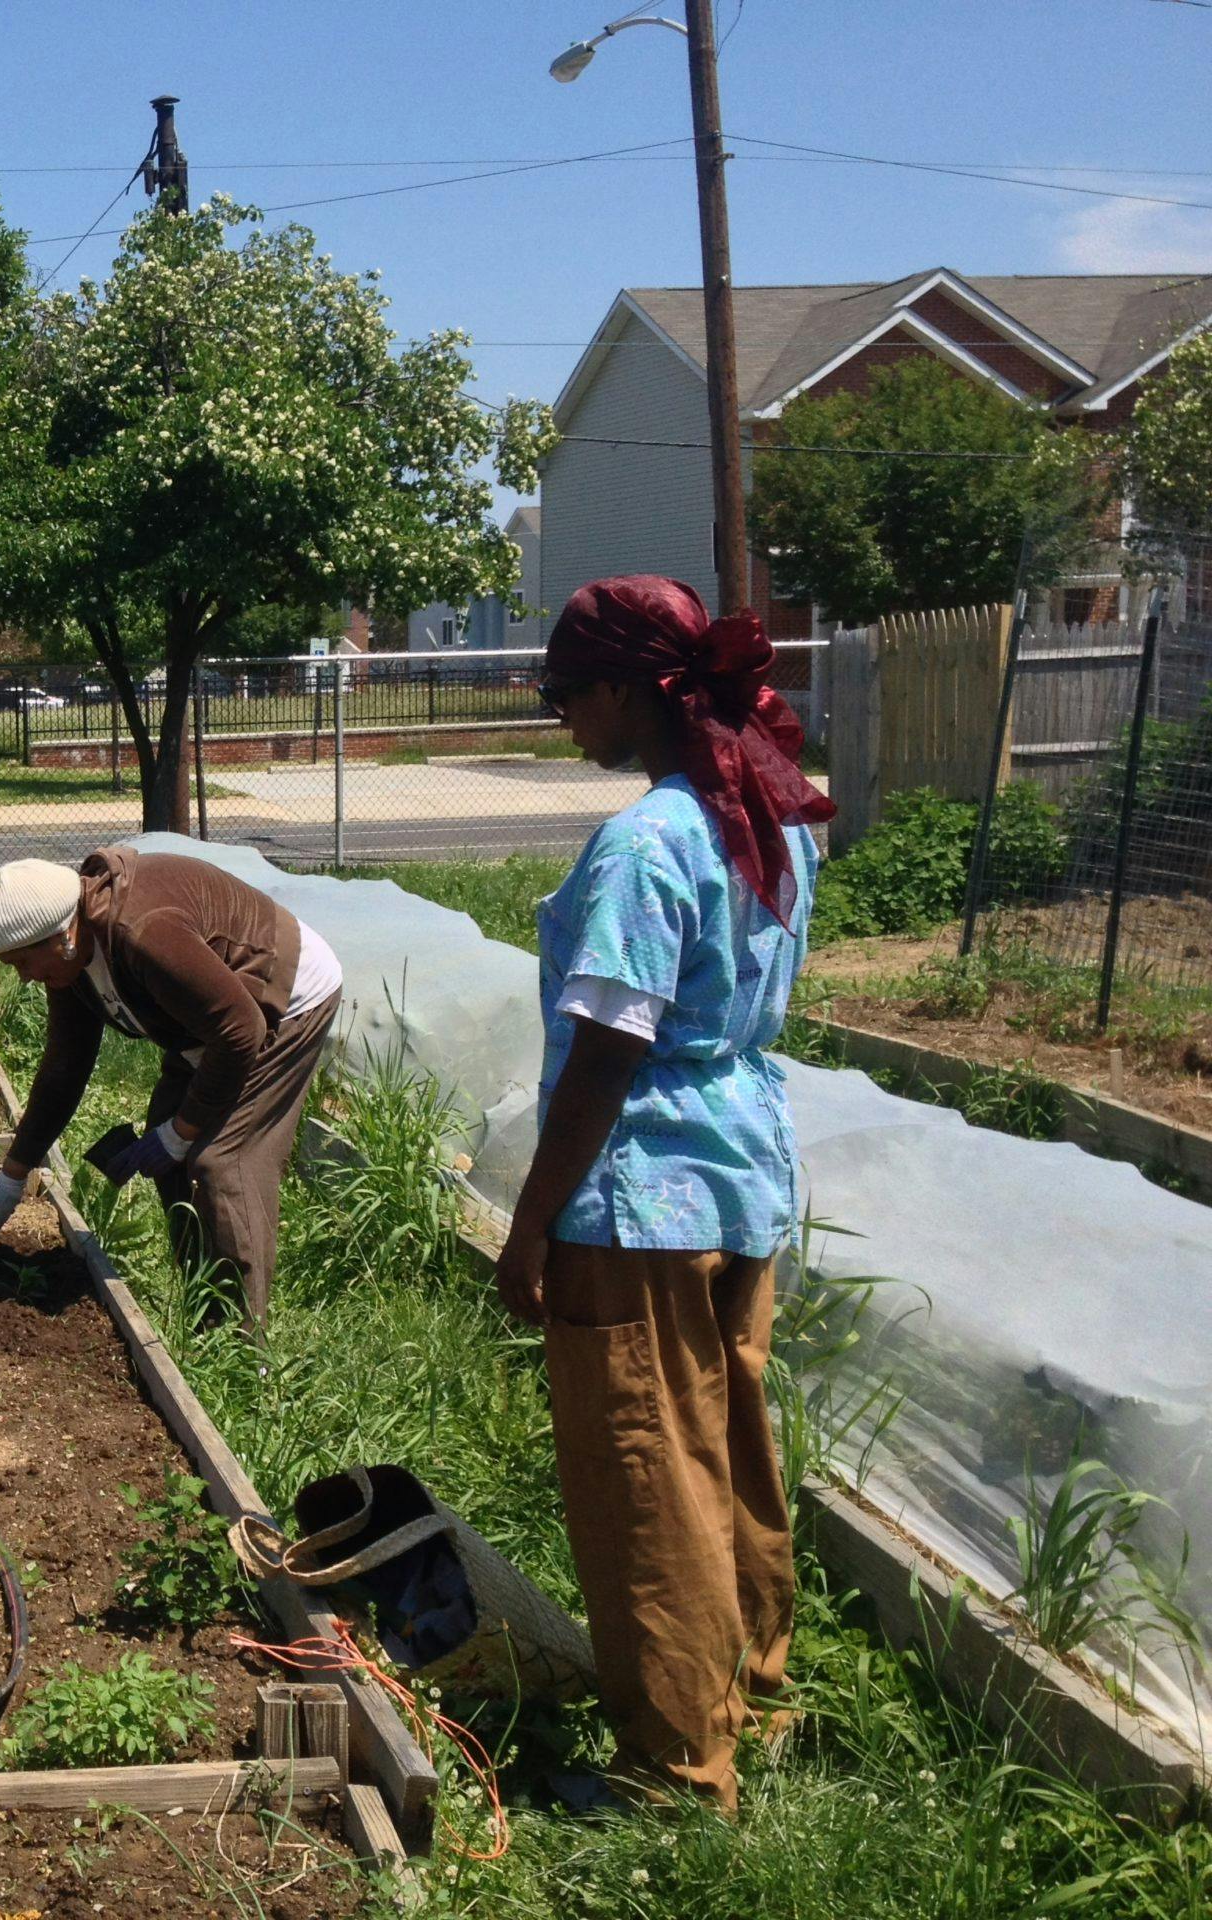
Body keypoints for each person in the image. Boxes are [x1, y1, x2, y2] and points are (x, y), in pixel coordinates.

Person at [495, 574, 834, 1814]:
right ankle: (751, 1693)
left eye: (566, 694)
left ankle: (675, 1766)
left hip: (636, 1198)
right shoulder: (775, 817)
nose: (560, 720)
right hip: (741, 1173)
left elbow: (607, 1052)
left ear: (634, 690)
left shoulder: (649, 842)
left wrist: (529, 1225)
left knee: (647, 1470)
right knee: (732, 1449)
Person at [0, 847, 344, 1324]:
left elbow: (241, 1029)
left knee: (220, 1159)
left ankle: (243, 1344)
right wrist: (14, 1176)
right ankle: (205, 1303)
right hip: (213, 1021)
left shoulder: (142, 932)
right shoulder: (72, 957)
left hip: (281, 1001)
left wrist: (183, 1132)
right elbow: (65, 1065)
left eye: (23, 962)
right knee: (166, 1142)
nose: (24, 977)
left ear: (61, 936)